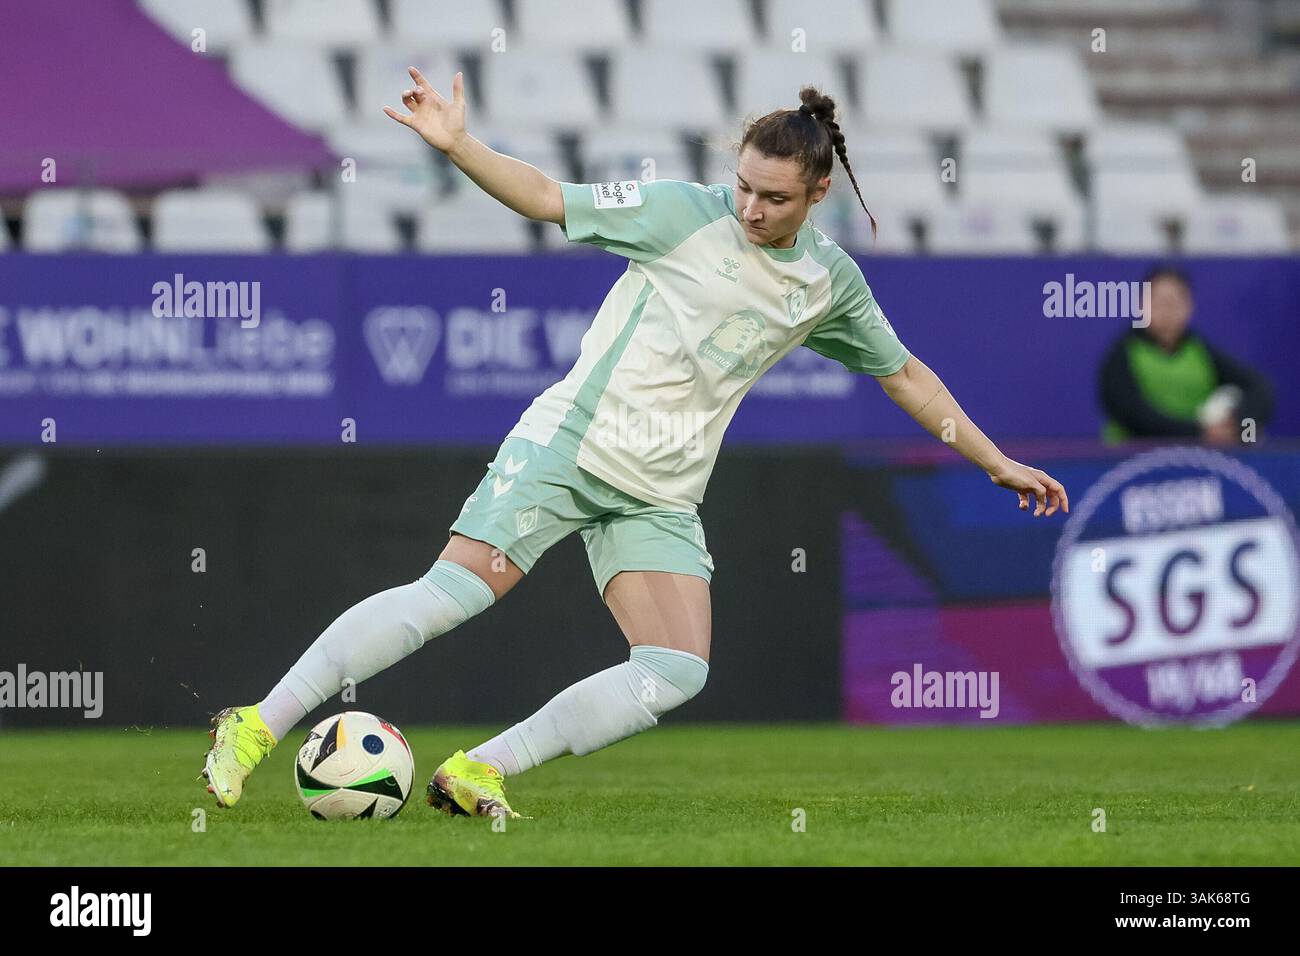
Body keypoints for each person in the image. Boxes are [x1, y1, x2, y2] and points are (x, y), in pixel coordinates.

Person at [201, 69, 1069, 818]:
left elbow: (904, 373)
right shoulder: (679, 213)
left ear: (816, 196)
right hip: (573, 447)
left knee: (674, 668)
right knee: (450, 596)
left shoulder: (827, 283)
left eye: (774, 197)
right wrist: (461, 146)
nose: (752, 209)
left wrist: (993, 460)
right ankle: (256, 725)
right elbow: (547, 198)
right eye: (744, 187)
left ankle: (477, 770)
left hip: (661, 490)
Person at [1099, 265, 1274, 445]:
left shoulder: (1201, 350)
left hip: (1196, 456)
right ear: (1141, 305)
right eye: (1158, 301)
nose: (1167, 310)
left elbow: (1259, 389)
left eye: (1174, 301)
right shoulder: (1122, 354)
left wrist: (1237, 424)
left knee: (1255, 437)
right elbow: (1133, 414)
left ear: (1189, 306)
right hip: (1132, 461)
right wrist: (1196, 432)